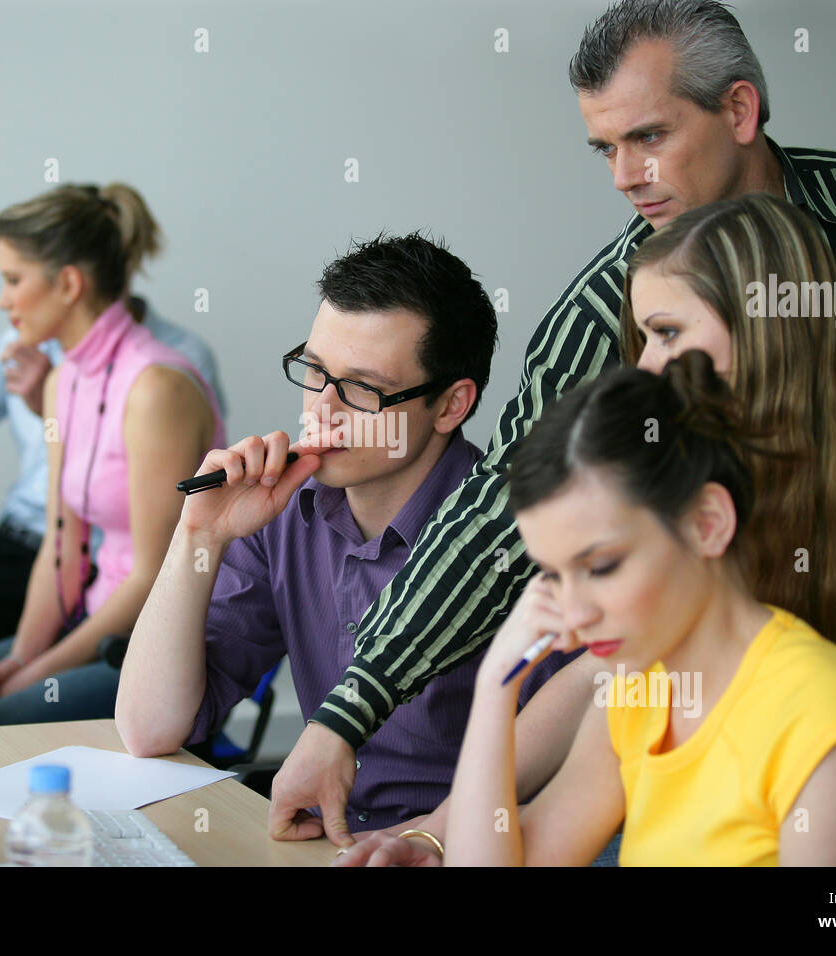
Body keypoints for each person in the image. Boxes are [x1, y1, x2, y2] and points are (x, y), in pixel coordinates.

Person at [278, 0, 836, 847]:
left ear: (738, 110)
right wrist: (380, 747)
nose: (624, 175)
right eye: (605, 149)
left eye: (648, 137)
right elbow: (500, 518)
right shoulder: (609, 322)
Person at [342, 193, 836, 867]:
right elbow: (604, 666)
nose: (649, 364)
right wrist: (448, 805)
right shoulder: (650, 661)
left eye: (666, 332)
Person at [115, 233, 567, 837]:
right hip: (315, 842)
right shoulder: (280, 511)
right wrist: (201, 536)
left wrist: (432, 838)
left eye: (361, 389)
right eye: (316, 371)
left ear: (451, 406)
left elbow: (575, 775)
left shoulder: (521, 541)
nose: (321, 410)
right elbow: (150, 728)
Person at [441, 352, 836, 865]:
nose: (575, 613)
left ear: (707, 523)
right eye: (555, 575)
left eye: (602, 566)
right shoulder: (637, 690)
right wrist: (496, 681)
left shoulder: (822, 723)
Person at [0, 182, 226, 727]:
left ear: (68, 283)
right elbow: (61, 544)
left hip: (158, 643)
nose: (2, 299)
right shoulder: (62, 381)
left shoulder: (156, 388)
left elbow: (152, 576)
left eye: (13, 280)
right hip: (94, 624)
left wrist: (32, 676)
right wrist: (23, 657)